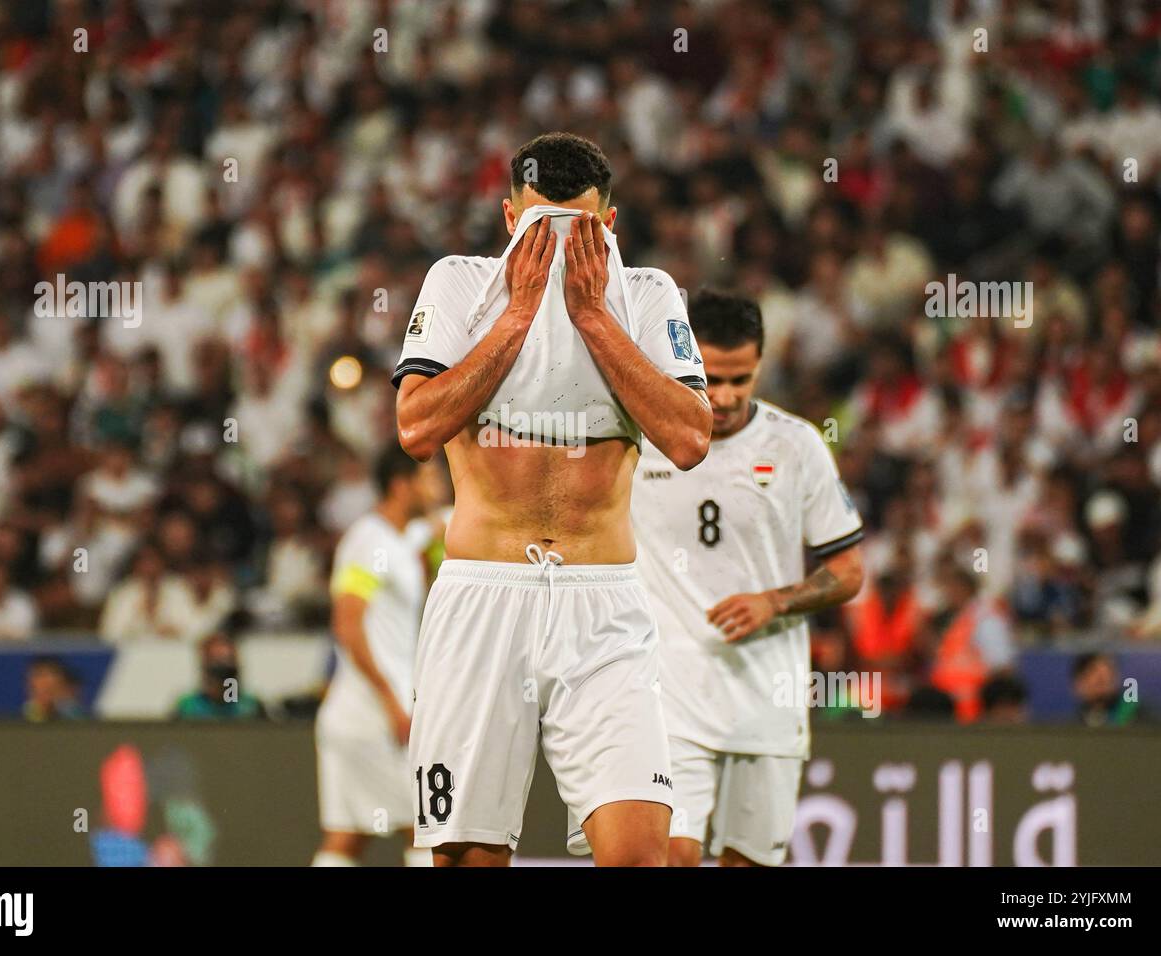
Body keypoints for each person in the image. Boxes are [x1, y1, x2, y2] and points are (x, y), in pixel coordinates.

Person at [393, 132, 711, 866]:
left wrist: (595, 318)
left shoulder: (647, 295)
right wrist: (516, 315)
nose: (562, 245)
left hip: (603, 606)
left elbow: (691, 440)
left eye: (583, 229)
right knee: (468, 856)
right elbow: (416, 426)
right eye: (542, 228)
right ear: (510, 221)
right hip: (482, 596)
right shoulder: (459, 284)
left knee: (640, 854)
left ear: (611, 227)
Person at [627, 289, 864, 867]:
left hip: (766, 698)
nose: (727, 396)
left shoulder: (796, 445)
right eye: (713, 377)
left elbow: (849, 570)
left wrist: (775, 601)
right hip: (668, 696)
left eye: (743, 378)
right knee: (665, 857)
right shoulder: (640, 439)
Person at [313, 446, 445, 868]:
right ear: (401, 484)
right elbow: (347, 624)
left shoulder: (396, 540)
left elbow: (436, 531)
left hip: (362, 716)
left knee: (348, 839)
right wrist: (391, 699)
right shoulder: (369, 541)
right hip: (375, 716)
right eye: (430, 479)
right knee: (426, 830)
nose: (438, 487)